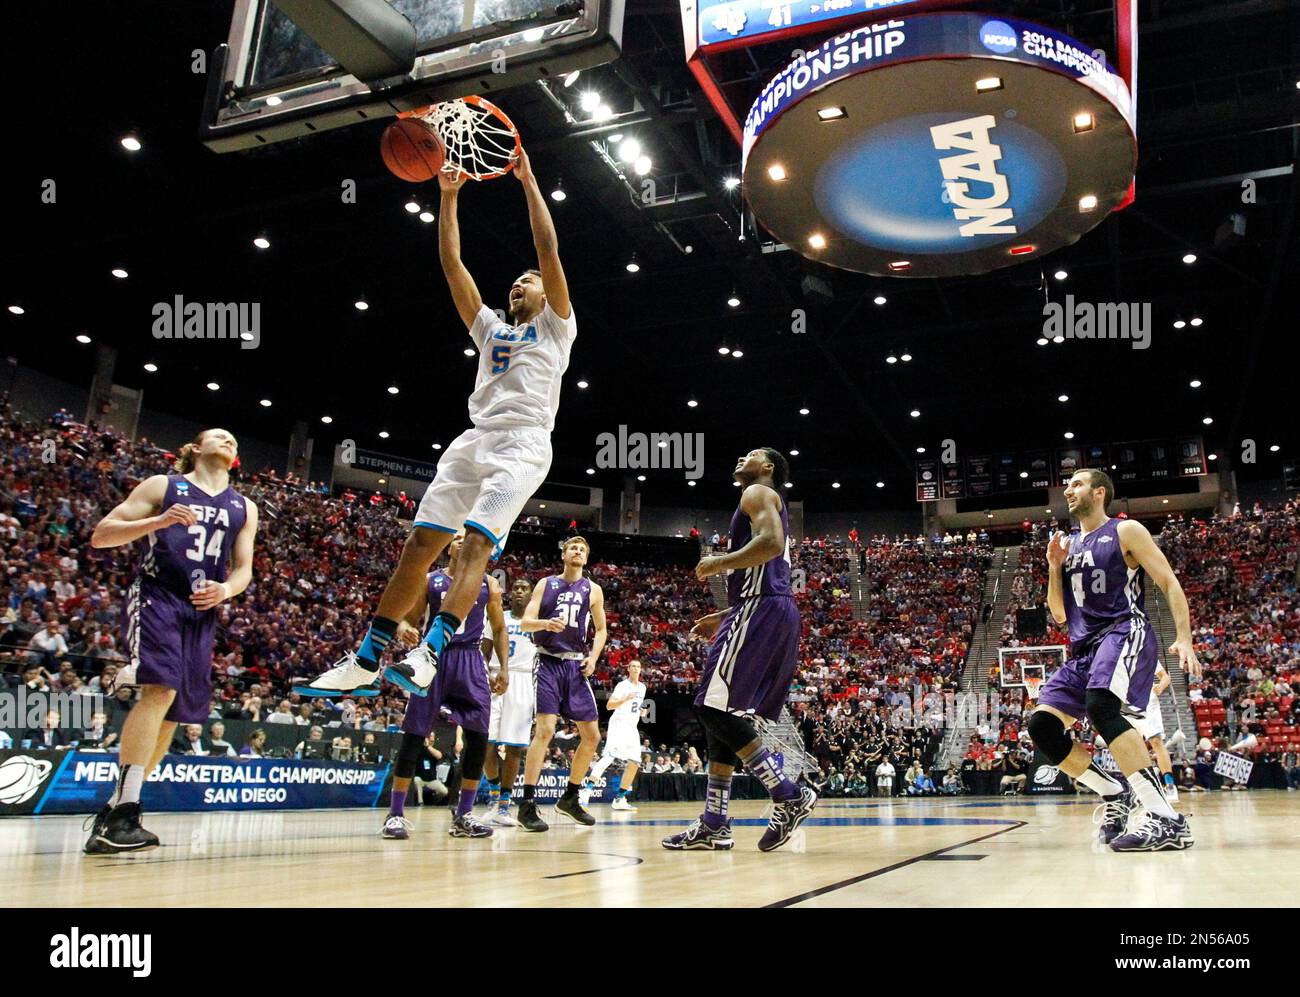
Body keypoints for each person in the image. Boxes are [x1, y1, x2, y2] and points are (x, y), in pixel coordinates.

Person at [295, 146, 574, 702]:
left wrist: (527, 178)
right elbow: (453, 265)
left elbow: (547, 247)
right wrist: (447, 197)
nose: (520, 283)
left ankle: (430, 650)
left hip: (523, 446)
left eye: (528, 280)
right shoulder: (491, 328)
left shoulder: (555, 327)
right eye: (515, 281)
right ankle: (369, 657)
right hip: (474, 439)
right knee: (421, 543)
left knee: (475, 544)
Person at [82, 428, 257, 854]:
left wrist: (227, 591)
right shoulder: (165, 485)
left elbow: (244, 568)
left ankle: (116, 811)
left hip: (202, 610)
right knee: (159, 690)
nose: (230, 440)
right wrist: (158, 521)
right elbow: (102, 534)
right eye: (219, 436)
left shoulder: (244, 506)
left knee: (176, 712)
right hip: (158, 594)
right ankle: (125, 813)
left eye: (234, 439)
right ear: (195, 447)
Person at [1028, 469, 1199, 852]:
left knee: (1102, 707)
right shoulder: (1067, 545)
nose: (1068, 490)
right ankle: (1113, 792)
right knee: (1041, 726)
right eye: (1068, 485)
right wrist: (1054, 567)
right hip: (1084, 647)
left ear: (1100, 492)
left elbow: (1169, 582)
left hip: (1122, 630)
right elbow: (1059, 614)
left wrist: (1184, 637)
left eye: (1077, 484)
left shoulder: (1126, 531)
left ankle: (1165, 819)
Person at [663, 449, 817, 853]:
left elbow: (770, 544)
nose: (739, 458)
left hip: (762, 607)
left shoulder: (756, 493)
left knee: (710, 709)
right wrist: (725, 613)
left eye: (749, 455)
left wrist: (718, 562)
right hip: (764, 606)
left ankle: (787, 793)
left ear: (767, 467)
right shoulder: (763, 500)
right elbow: (773, 567)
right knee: (720, 713)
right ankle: (715, 821)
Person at [380, 532, 506, 840]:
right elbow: (407, 619)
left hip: (471, 658)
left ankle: (463, 814)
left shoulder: (489, 583)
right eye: (457, 537)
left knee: (478, 737)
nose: (463, 542)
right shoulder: (429, 580)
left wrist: (502, 667)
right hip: (435, 656)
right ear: (448, 546)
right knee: (414, 735)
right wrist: (406, 630)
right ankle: (395, 814)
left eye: (467, 537)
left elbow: (499, 627)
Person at [516, 536, 607, 831]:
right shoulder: (546, 584)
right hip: (548, 661)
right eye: (573, 547)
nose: (578, 550)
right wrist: (545, 624)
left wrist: (593, 657)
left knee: (592, 736)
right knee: (545, 730)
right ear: (564, 554)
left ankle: (570, 797)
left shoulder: (593, 590)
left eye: (582, 548)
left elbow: (602, 629)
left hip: (576, 665)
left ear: (586, 557)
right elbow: (525, 622)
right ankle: (526, 805)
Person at [480, 577, 538, 826]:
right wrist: (485, 675)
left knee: (515, 747)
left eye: (525, 589)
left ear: (532, 595)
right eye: (516, 588)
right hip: (493, 677)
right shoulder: (497, 616)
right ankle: (494, 795)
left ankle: (504, 805)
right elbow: (482, 650)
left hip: (524, 681)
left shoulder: (538, 623)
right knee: (484, 742)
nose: (519, 592)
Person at [581, 659, 648, 811]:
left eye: (638, 666)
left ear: (641, 669)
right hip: (619, 723)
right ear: (628, 669)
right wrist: (625, 698)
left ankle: (620, 798)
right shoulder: (622, 686)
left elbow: (634, 707)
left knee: (635, 762)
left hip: (632, 727)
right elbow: (609, 705)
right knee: (609, 756)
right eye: (633, 666)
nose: (636, 669)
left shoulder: (643, 688)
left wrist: (641, 712)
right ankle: (586, 791)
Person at [1139, 663, 1179, 802]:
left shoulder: (1146, 650)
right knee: (1131, 743)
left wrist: (1160, 686)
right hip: (1124, 700)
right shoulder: (1114, 649)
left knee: (1155, 741)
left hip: (1146, 697)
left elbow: (1165, 677)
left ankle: (1170, 785)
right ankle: (1138, 787)